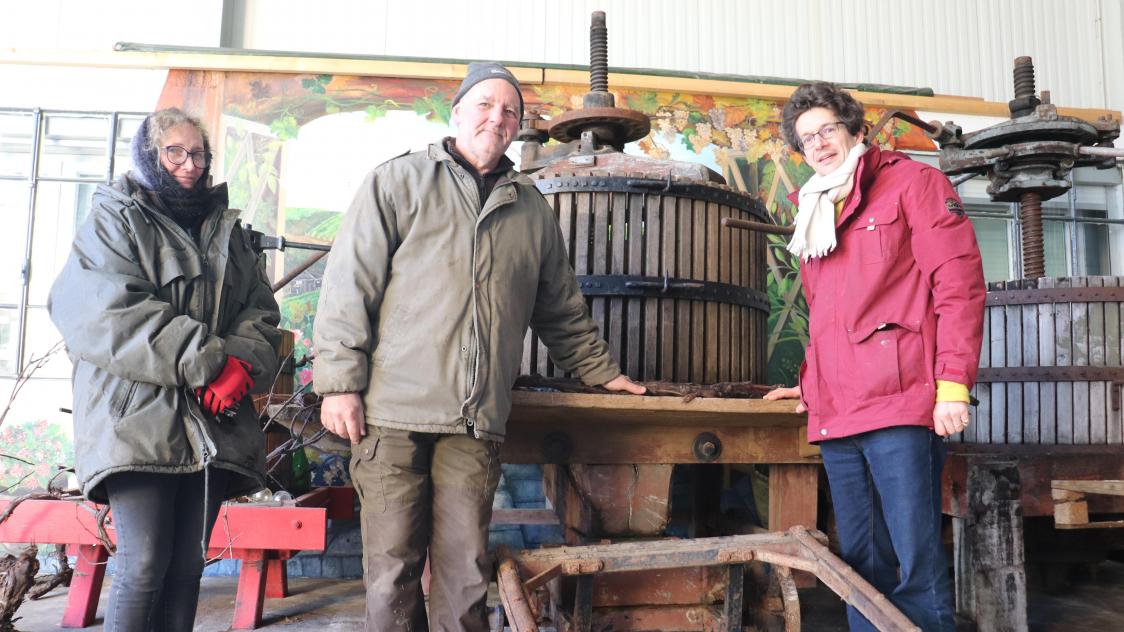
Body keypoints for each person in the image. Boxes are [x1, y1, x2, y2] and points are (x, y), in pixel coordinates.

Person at [312, 62, 646, 631]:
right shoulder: (398, 182)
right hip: (392, 413)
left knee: (466, 571)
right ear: (458, 112)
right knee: (392, 571)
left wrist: (602, 373)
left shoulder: (530, 209)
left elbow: (560, 308)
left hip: (473, 421)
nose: (498, 117)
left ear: (517, 127)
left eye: (510, 111)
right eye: (486, 105)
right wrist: (340, 383)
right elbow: (349, 285)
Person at [49, 108, 282, 631]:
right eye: (174, 152)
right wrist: (209, 363)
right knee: (144, 562)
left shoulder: (227, 228)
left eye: (198, 153)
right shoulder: (114, 218)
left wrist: (241, 365)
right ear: (149, 156)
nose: (189, 164)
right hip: (134, 418)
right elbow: (106, 311)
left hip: (210, 421)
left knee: (188, 565)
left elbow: (260, 310)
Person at [764, 82, 985, 632]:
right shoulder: (816, 208)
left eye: (827, 130)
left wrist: (953, 384)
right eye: (806, 137)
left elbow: (958, 288)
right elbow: (826, 320)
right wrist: (810, 385)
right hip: (838, 410)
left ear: (856, 130)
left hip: (901, 402)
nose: (817, 144)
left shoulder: (914, 184)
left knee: (914, 561)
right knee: (860, 564)